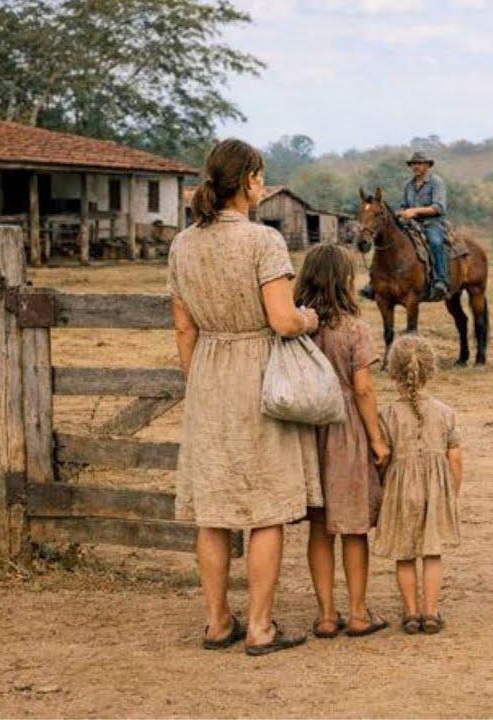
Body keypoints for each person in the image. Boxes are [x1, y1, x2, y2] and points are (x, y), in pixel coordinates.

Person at [169, 138, 323, 656]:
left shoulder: (182, 244)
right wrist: (310, 318)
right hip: (258, 374)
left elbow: (183, 328)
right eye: (260, 174)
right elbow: (281, 320)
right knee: (266, 509)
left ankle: (217, 623)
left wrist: (199, 385)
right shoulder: (264, 242)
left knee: (211, 509)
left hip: (208, 375)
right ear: (250, 181)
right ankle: (260, 627)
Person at [293, 244, 392, 638]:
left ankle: (326, 615)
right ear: (345, 281)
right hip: (346, 428)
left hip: (305, 429)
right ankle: (358, 612)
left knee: (319, 528)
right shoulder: (354, 327)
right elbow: (363, 388)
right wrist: (377, 438)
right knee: (352, 527)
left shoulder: (297, 326)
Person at [372, 334, 464, 635]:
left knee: (405, 553)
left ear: (394, 372)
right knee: (432, 552)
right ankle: (431, 612)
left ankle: (411, 613)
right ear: (431, 370)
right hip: (436, 492)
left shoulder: (386, 415)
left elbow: (382, 457)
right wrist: (451, 492)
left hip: (401, 492)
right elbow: (455, 458)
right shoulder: (446, 412)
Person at [400, 151, 449, 301]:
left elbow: (439, 207)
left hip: (432, 223)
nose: (417, 166)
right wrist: (399, 213)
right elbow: (404, 206)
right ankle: (377, 281)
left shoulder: (436, 182)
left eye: (420, 163)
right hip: (411, 224)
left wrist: (414, 211)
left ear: (427, 166)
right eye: (414, 164)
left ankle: (441, 280)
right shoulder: (408, 185)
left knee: (435, 242)